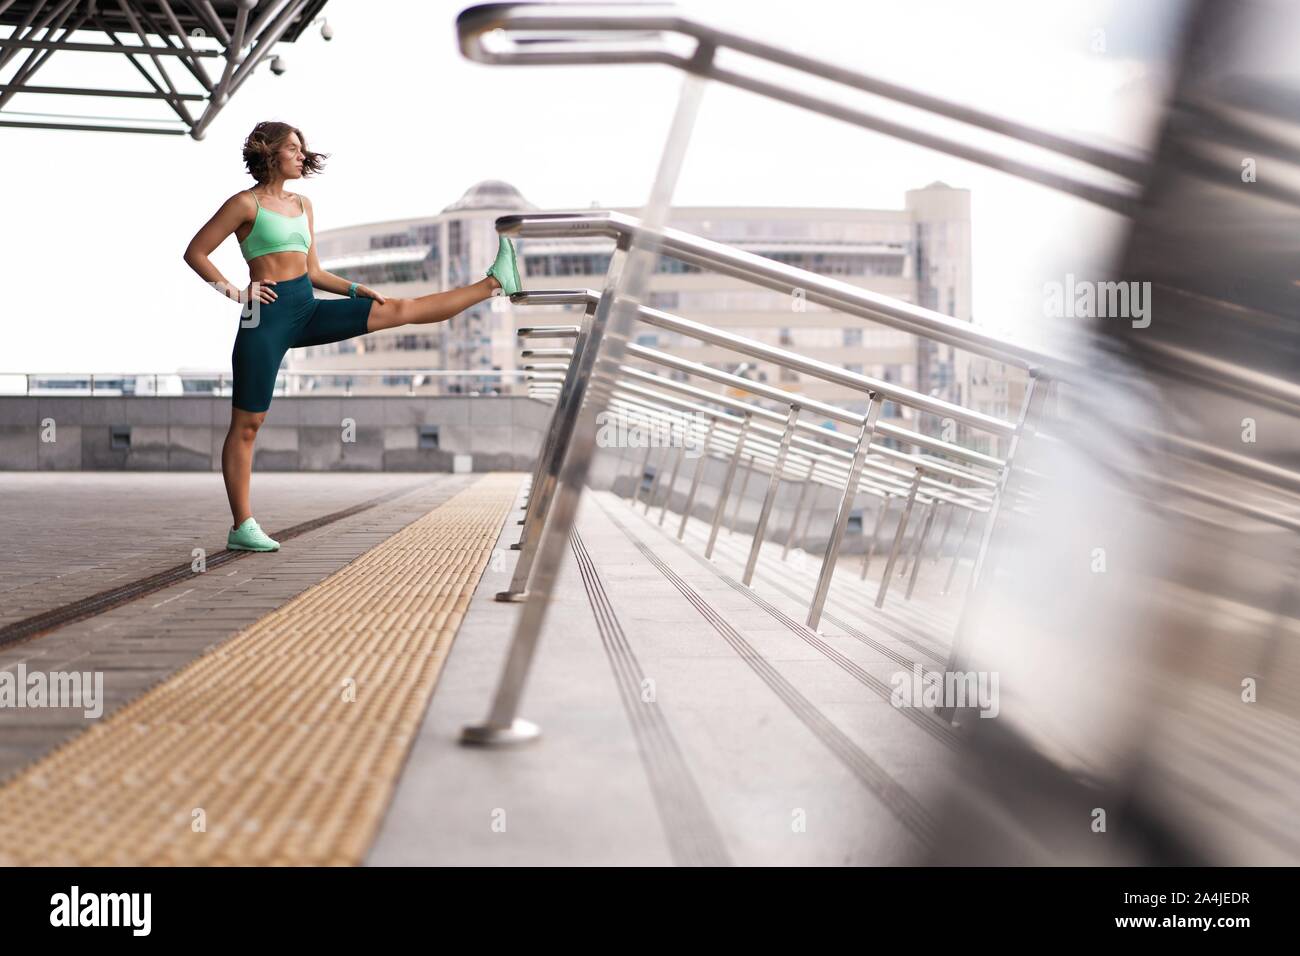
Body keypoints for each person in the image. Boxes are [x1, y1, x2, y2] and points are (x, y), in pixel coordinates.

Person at [183, 121, 521, 552]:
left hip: (307, 308)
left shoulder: (303, 204)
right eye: (293, 148)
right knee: (248, 424)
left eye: (303, 148)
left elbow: (314, 272)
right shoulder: (244, 204)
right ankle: (242, 525)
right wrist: (235, 292)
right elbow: (195, 252)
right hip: (263, 318)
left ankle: (494, 282)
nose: (302, 154)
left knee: (400, 309)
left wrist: (357, 289)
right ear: (269, 152)